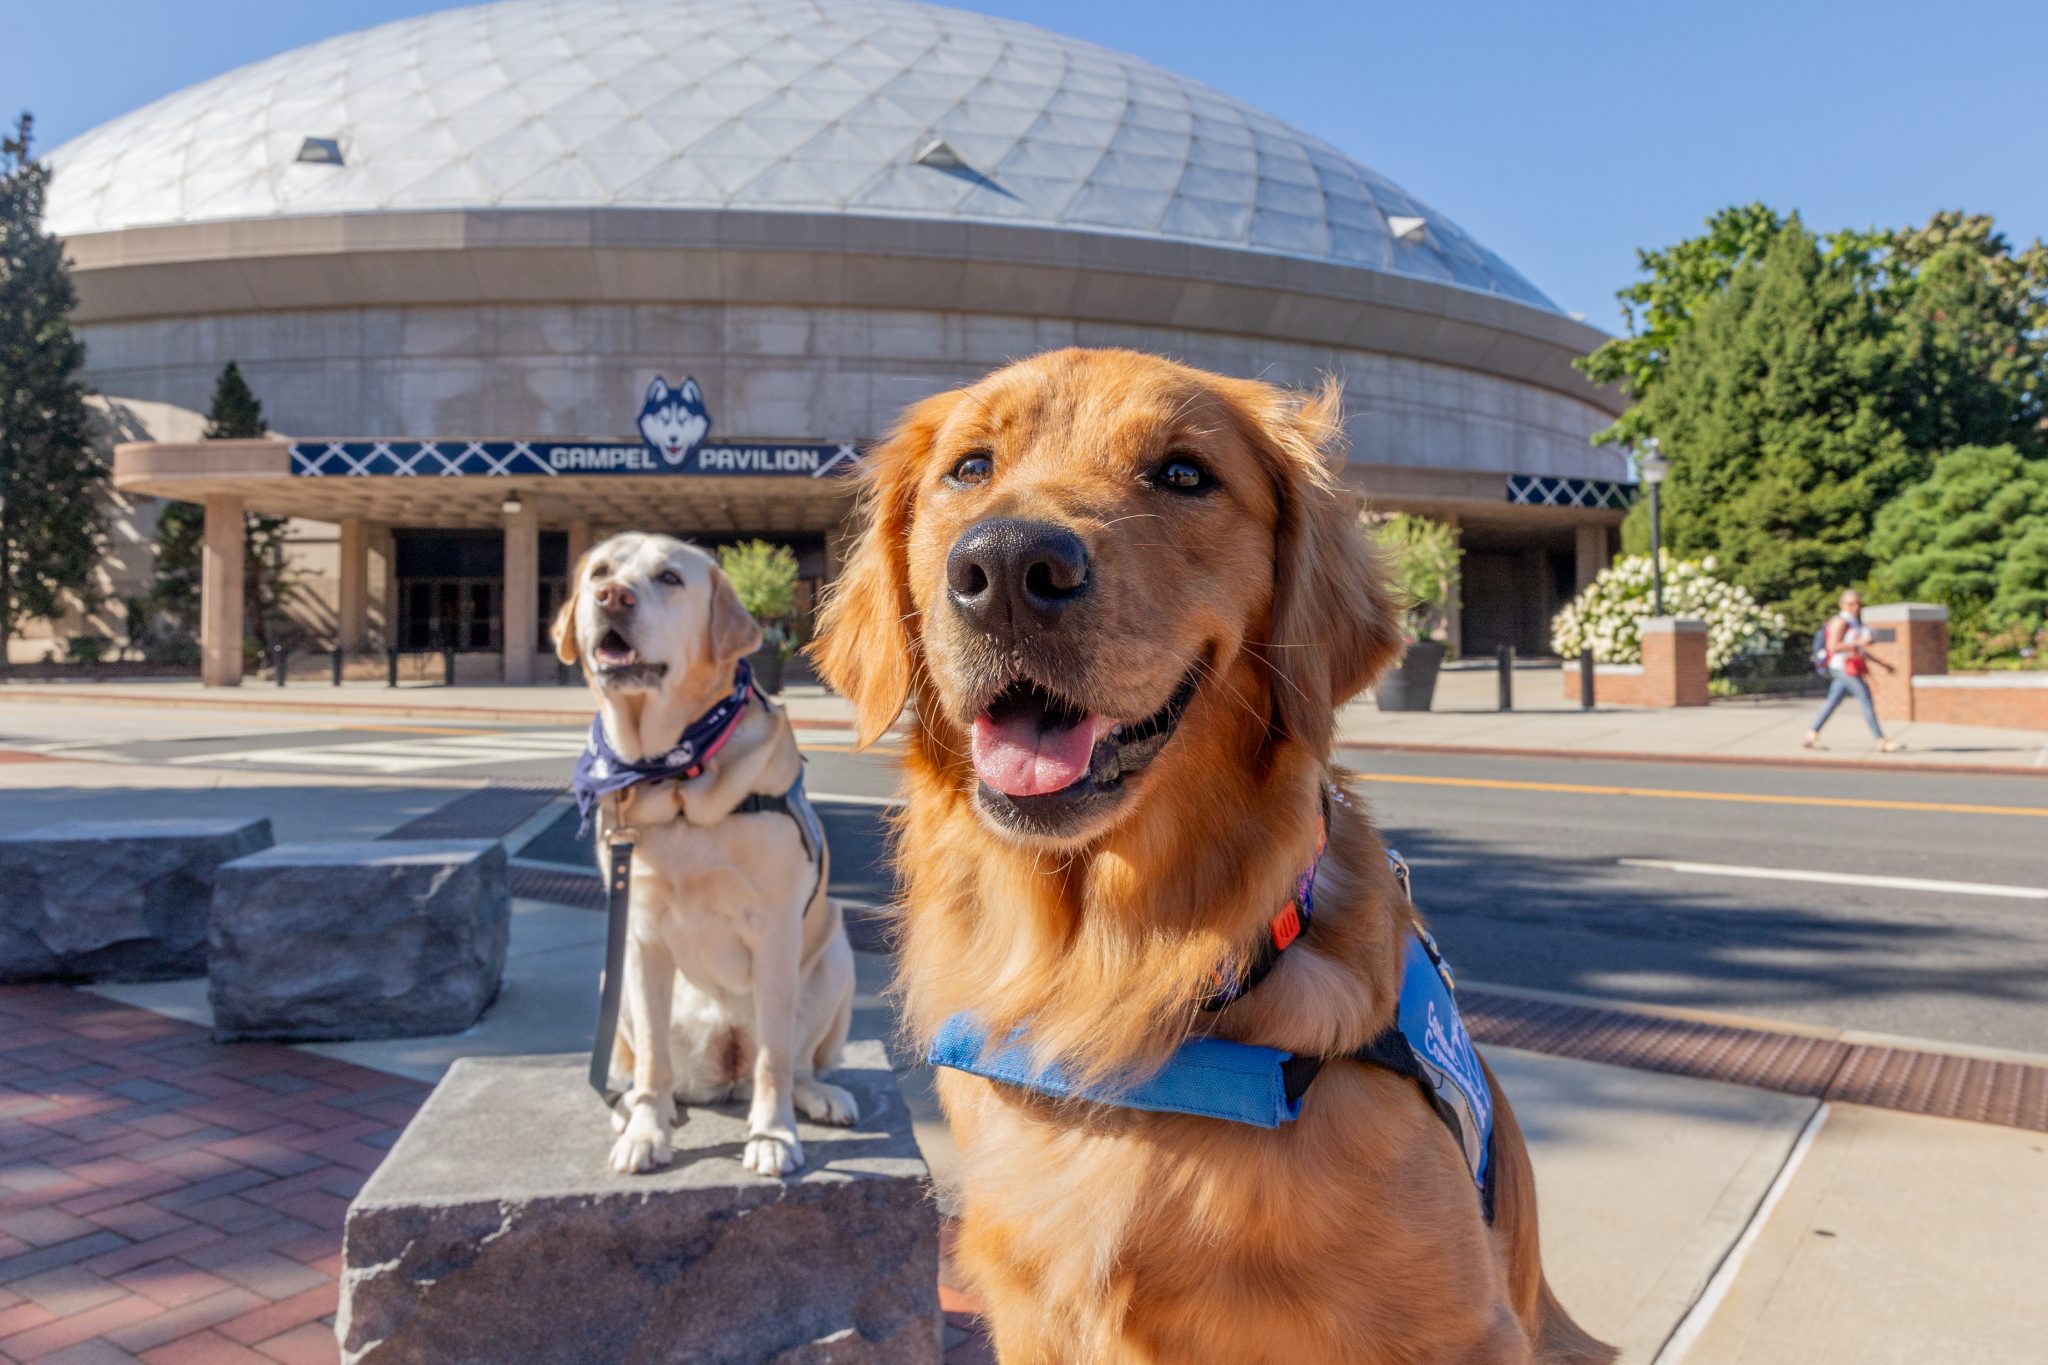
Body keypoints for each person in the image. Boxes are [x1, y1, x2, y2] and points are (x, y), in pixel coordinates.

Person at [1804, 590, 1899, 751]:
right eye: (1851, 604)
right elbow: (1833, 646)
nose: (1855, 607)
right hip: (1842, 668)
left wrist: (1883, 664)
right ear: (1842, 605)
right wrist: (1860, 642)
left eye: (1858, 604)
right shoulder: (1840, 621)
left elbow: (1860, 650)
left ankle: (1812, 734)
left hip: (1850, 666)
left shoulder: (1854, 623)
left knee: (1833, 701)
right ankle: (1880, 740)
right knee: (1865, 698)